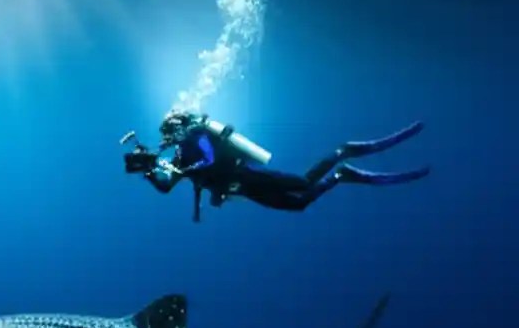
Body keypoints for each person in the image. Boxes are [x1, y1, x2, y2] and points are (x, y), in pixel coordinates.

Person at [123, 111, 429, 222]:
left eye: (169, 131)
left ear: (178, 125)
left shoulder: (196, 135)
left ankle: (342, 152)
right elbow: (165, 188)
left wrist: (184, 171)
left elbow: (211, 159)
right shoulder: (177, 157)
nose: (168, 138)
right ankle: (342, 175)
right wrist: (150, 172)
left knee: (304, 183)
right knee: (299, 207)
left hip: (246, 175)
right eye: (165, 135)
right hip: (244, 189)